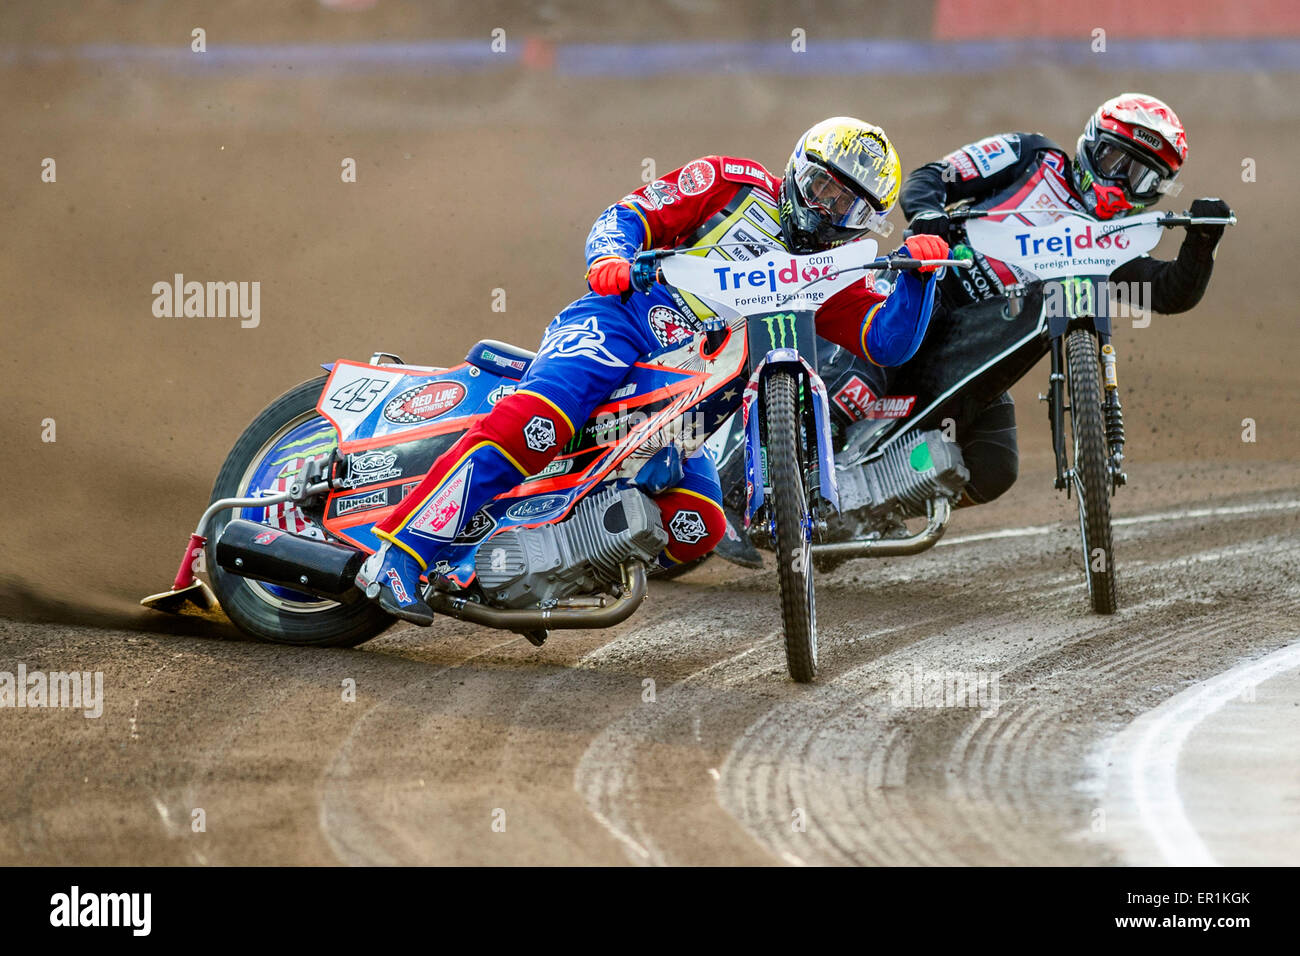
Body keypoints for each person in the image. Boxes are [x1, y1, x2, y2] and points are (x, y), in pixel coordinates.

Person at [357, 117, 950, 623]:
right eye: (823, 186)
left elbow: (885, 342)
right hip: (621, 324)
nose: (827, 209)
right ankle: (399, 553)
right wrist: (610, 260)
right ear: (799, 170)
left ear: (866, 221)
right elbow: (627, 214)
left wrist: (921, 278)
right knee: (542, 423)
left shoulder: (833, 268)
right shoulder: (730, 181)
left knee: (701, 527)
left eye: (848, 205)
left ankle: (541, 556)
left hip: (686, 405)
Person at [823, 93, 1231, 507]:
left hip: (978, 347)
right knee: (850, 391)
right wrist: (928, 215)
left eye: (1141, 177)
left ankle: (868, 513)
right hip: (919, 300)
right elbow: (933, 176)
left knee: (994, 468)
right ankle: (775, 485)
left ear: (1157, 191)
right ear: (1091, 145)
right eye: (1115, 162)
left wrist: (1201, 243)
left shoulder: (1114, 241)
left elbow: (1166, 292)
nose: (1122, 182)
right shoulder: (1032, 155)